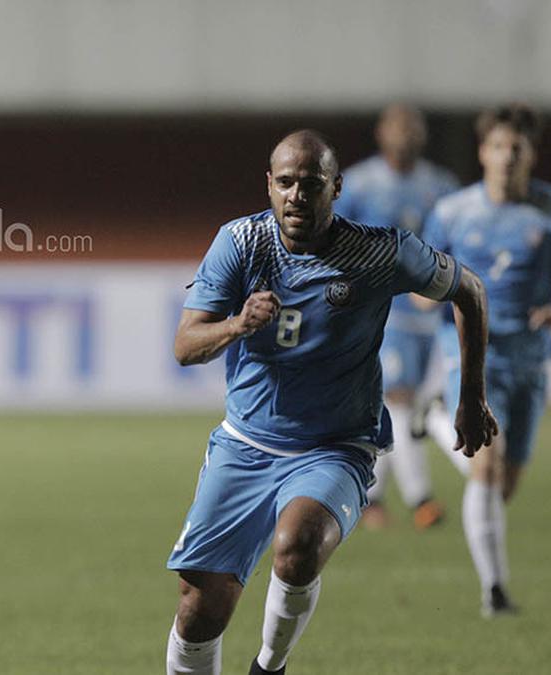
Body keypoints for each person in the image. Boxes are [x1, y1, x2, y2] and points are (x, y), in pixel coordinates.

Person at [164, 130, 496, 675]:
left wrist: (471, 396)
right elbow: (185, 346)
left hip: (336, 446)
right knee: (200, 607)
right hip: (245, 443)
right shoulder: (240, 243)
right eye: (285, 183)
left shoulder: (380, 251)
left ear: (336, 188)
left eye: (311, 183)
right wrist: (238, 324)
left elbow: (471, 291)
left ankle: (269, 666)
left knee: (298, 543)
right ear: (269, 185)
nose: (297, 195)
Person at [423, 103, 551, 617]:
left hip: (530, 357)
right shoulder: (453, 212)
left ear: (531, 155)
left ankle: (436, 420)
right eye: (498, 147)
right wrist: (426, 296)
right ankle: (494, 592)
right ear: (483, 152)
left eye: (516, 148)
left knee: (504, 484)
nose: (507, 156)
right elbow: (420, 273)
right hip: (471, 355)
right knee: (487, 468)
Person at [333, 103, 460, 530]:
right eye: (398, 127)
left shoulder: (441, 185)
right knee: (400, 398)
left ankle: (371, 498)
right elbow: (335, 240)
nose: (406, 134)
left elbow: (453, 243)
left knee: (401, 404)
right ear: (381, 132)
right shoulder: (359, 182)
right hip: (383, 312)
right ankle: (420, 498)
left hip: (431, 312)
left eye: (413, 127)